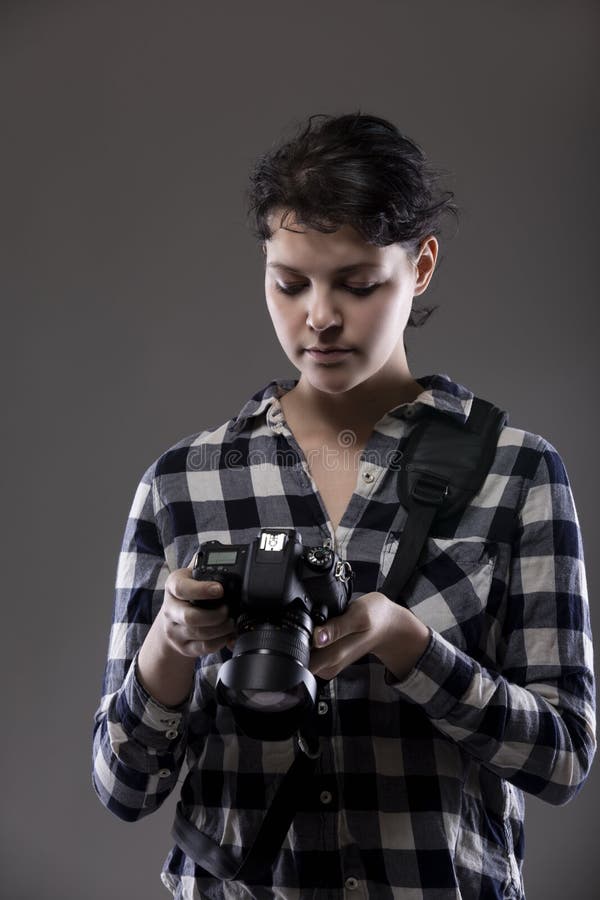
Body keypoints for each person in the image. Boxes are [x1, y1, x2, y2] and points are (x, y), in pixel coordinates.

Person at [92, 111, 596, 899]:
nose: (318, 317)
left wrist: (410, 647)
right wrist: (170, 642)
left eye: (357, 284)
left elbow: (563, 759)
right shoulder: (183, 484)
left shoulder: (516, 471)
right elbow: (122, 788)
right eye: (288, 282)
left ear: (421, 265)